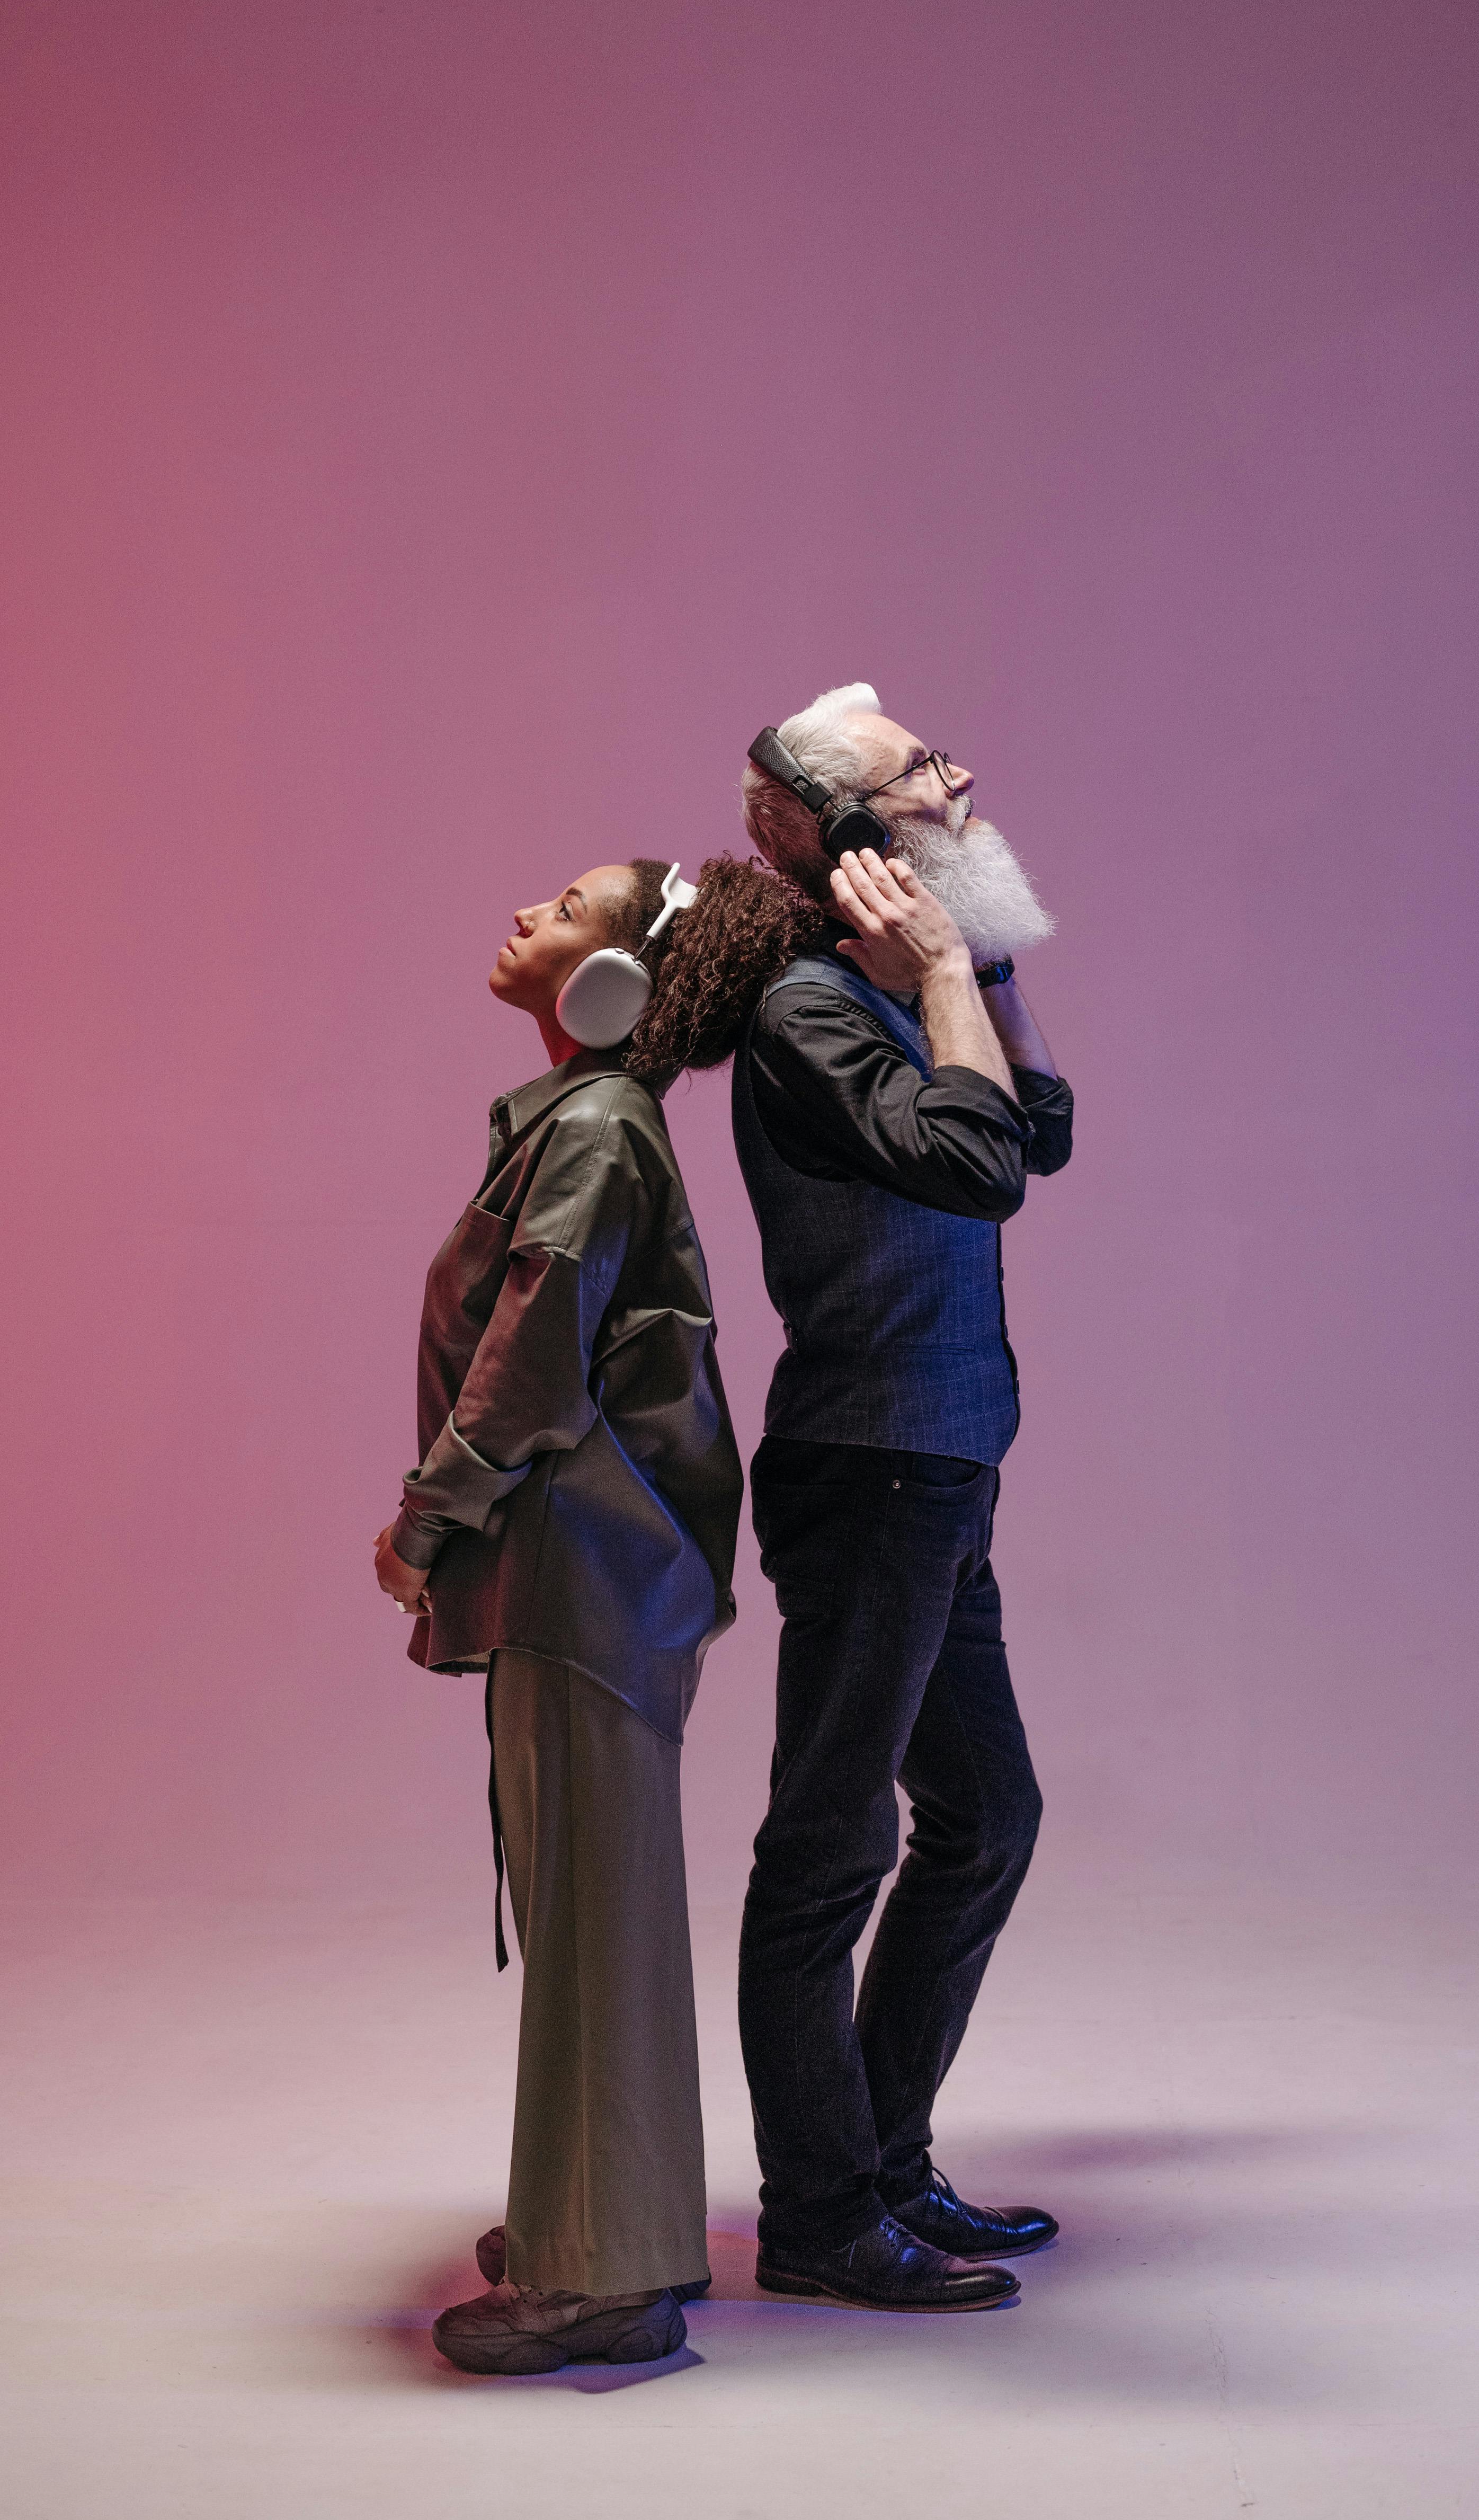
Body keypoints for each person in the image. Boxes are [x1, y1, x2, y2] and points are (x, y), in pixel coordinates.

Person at [372, 851, 823, 2375]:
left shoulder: (597, 1132)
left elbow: (535, 1348)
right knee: (593, 1908)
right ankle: (605, 2216)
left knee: (594, 1923)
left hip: (585, 1568)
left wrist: (430, 1515)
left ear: (614, 979)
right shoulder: (581, 1123)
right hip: (586, 1573)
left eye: (561, 911)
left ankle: (598, 2276)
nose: (522, 915)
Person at [732, 682, 1074, 2312]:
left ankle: (883, 2166)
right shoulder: (813, 1011)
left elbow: (1042, 1129)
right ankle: (819, 2217)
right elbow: (978, 1167)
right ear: (854, 838)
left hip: (939, 1466)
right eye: (922, 772)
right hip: (870, 1474)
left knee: (985, 1820)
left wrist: (982, 971)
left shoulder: (904, 998)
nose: (963, 773)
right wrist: (939, 972)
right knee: (825, 1852)